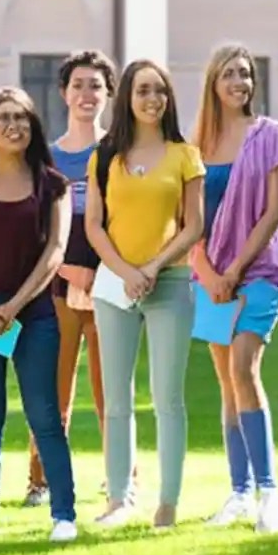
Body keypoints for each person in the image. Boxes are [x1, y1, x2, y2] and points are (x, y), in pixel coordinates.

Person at [0, 88, 78, 543]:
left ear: (33, 127)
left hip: (36, 315)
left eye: (22, 118)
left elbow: (55, 253)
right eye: (4, 118)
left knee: (44, 414)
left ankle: (64, 515)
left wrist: (12, 308)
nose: (14, 126)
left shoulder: (53, 184)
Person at [85, 59, 205, 530]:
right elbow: (93, 225)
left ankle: (168, 502)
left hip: (169, 284)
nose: (152, 98)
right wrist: (125, 271)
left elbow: (194, 224)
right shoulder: (105, 156)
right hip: (114, 286)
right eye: (142, 90)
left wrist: (151, 268)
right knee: (115, 399)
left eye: (160, 90)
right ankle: (118, 498)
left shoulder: (184, 155)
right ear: (127, 99)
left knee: (167, 397)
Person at [190, 43, 278, 534]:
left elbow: (275, 212)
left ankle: (269, 493)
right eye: (229, 74)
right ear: (213, 82)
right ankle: (238, 492)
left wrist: (236, 269)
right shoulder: (198, 146)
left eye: (246, 74)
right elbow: (186, 222)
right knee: (226, 385)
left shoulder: (269, 136)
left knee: (243, 369)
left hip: (260, 273)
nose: (239, 82)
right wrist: (209, 274)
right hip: (210, 279)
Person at [26, 50, 133, 504]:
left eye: (96, 86)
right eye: (78, 85)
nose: (87, 94)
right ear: (64, 93)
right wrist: (70, 272)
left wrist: (103, 274)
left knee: (112, 392)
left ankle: (122, 480)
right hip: (58, 285)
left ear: (109, 94)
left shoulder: (120, 154)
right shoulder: (47, 159)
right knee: (53, 391)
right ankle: (40, 481)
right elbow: (37, 229)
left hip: (112, 285)